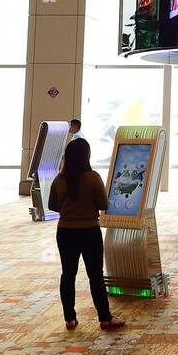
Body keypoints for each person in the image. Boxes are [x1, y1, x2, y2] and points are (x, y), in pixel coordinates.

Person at [47, 138, 125, 331]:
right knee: (95, 275)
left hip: (65, 231)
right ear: (86, 156)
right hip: (89, 231)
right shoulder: (93, 178)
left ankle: (70, 318)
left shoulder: (59, 179)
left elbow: (52, 205)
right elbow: (103, 205)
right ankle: (105, 318)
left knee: (68, 274)